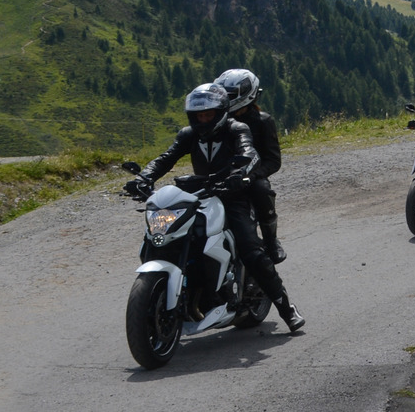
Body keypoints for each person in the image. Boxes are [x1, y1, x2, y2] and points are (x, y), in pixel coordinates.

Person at [125, 83, 305, 332]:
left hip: (233, 195)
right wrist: (144, 178)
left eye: (208, 114)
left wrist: (240, 174)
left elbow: (250, 153)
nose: (203, 119)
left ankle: (286, 308)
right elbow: (166, 157)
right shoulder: (189, 134)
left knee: (251, 250)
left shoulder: (237, 128)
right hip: (199, 193)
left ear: (220, 112)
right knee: (164, 236)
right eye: (199, 115)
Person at [213, 67, 284, 264]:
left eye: (231, 95)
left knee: (262, 190)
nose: (226, 99)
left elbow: (273, 160)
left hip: (250, 175)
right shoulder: (217, 120)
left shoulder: (263, 121)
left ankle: (271, 241)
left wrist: (252, 175)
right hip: (220, 175)